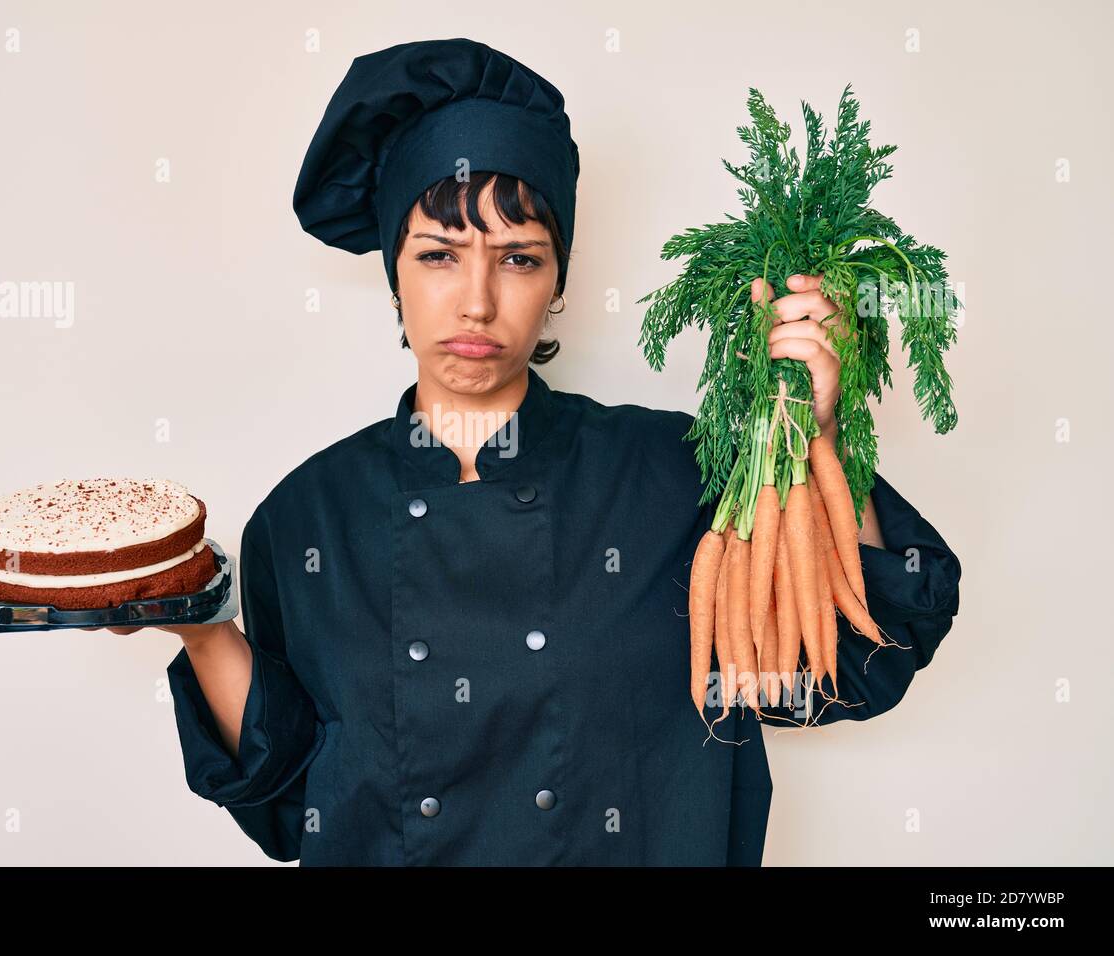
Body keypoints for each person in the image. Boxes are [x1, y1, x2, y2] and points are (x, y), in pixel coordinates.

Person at [111, 38, 961, 865]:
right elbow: (289, 810)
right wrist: (201, 629)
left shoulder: (684, 473)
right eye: (439, 255)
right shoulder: (306, 518)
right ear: (394, 275)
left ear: (558, 281)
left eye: (518, 258)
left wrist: (812, 436)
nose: (477, 302)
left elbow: (859, 663)